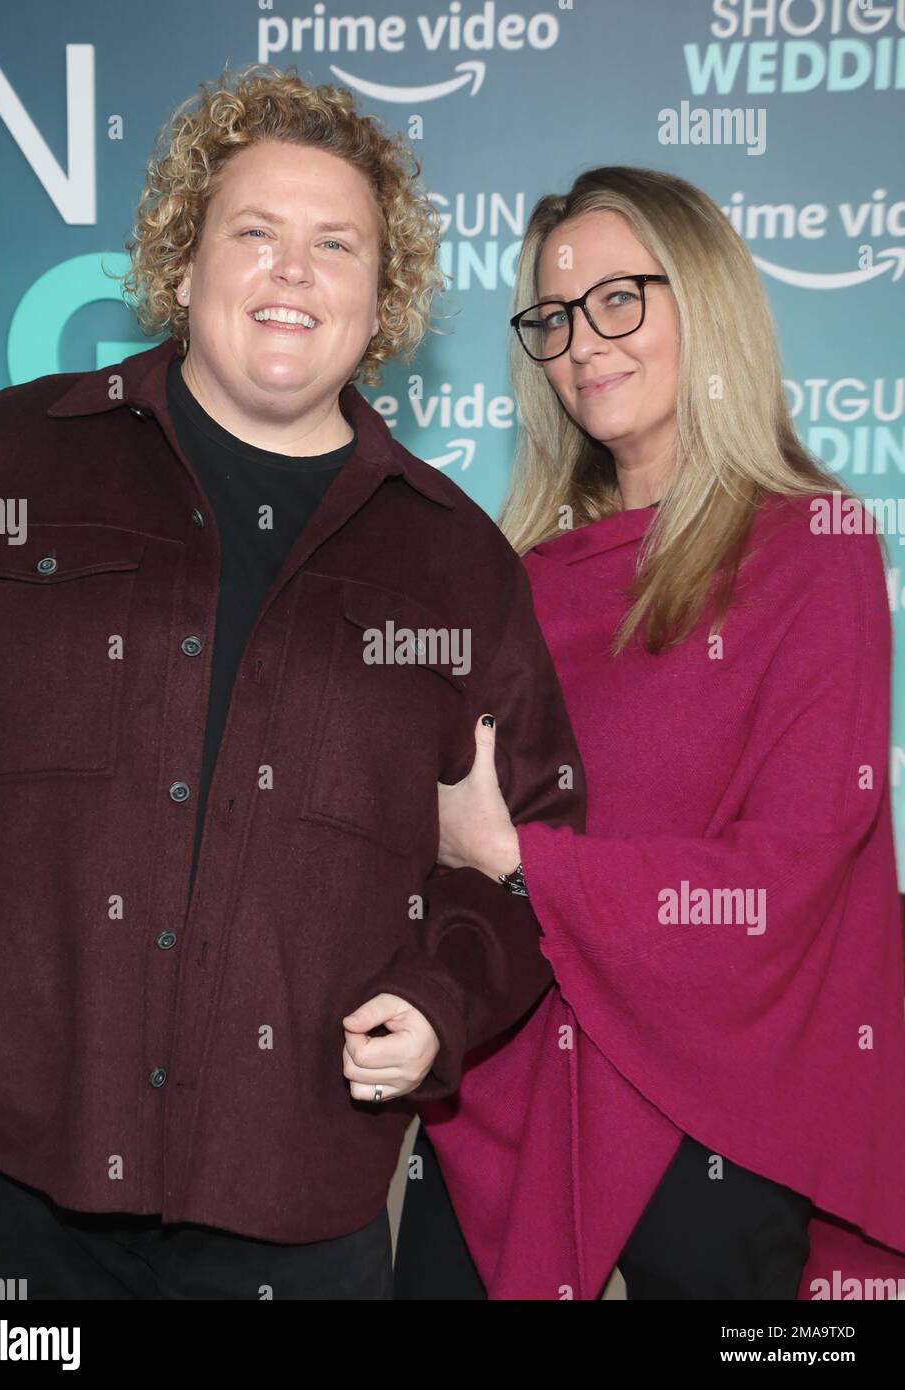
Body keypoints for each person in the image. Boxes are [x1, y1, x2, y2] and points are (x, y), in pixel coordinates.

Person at [0, 65, 587, 1300]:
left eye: (335, 244)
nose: (294, 270)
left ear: (379, 299)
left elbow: (534, 855)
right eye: (255, 232)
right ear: (183, 266)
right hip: (11, 1149)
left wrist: (444, 996)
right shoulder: (2, 462)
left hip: (295, 1178)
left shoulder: (457, 567)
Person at [394, 165, 905, 1300]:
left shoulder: (812, 545)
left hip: (717, 1102)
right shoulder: (510, 576)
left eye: (620, 298)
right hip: (506, 1091)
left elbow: (796, 861)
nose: (582, 341)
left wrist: (524, 859)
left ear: (705, 300)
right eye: (553, 316)